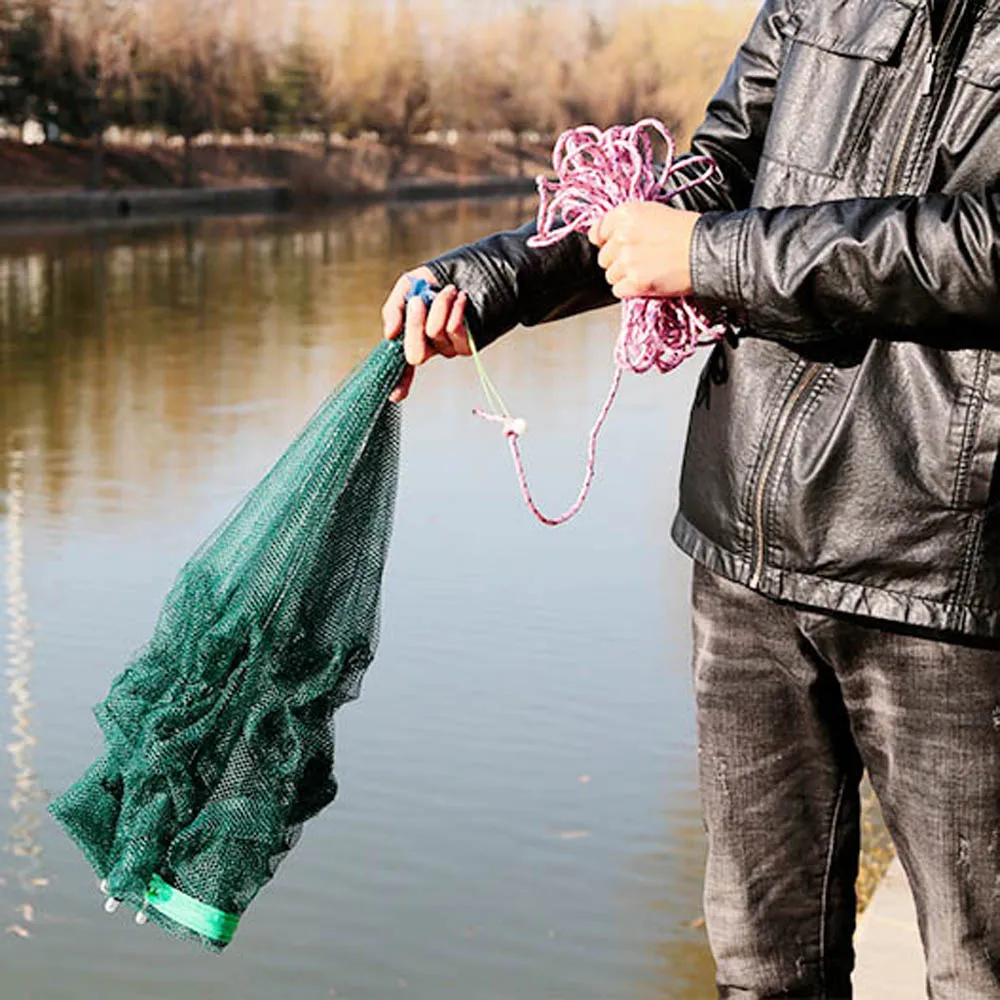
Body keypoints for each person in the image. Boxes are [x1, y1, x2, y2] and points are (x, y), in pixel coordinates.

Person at [381, 1, 1000, 996]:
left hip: (948, 571)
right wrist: (493, 280)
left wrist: (710, 256)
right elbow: (710, 175)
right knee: (759, 971)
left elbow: (984, 247)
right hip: (745, 546)